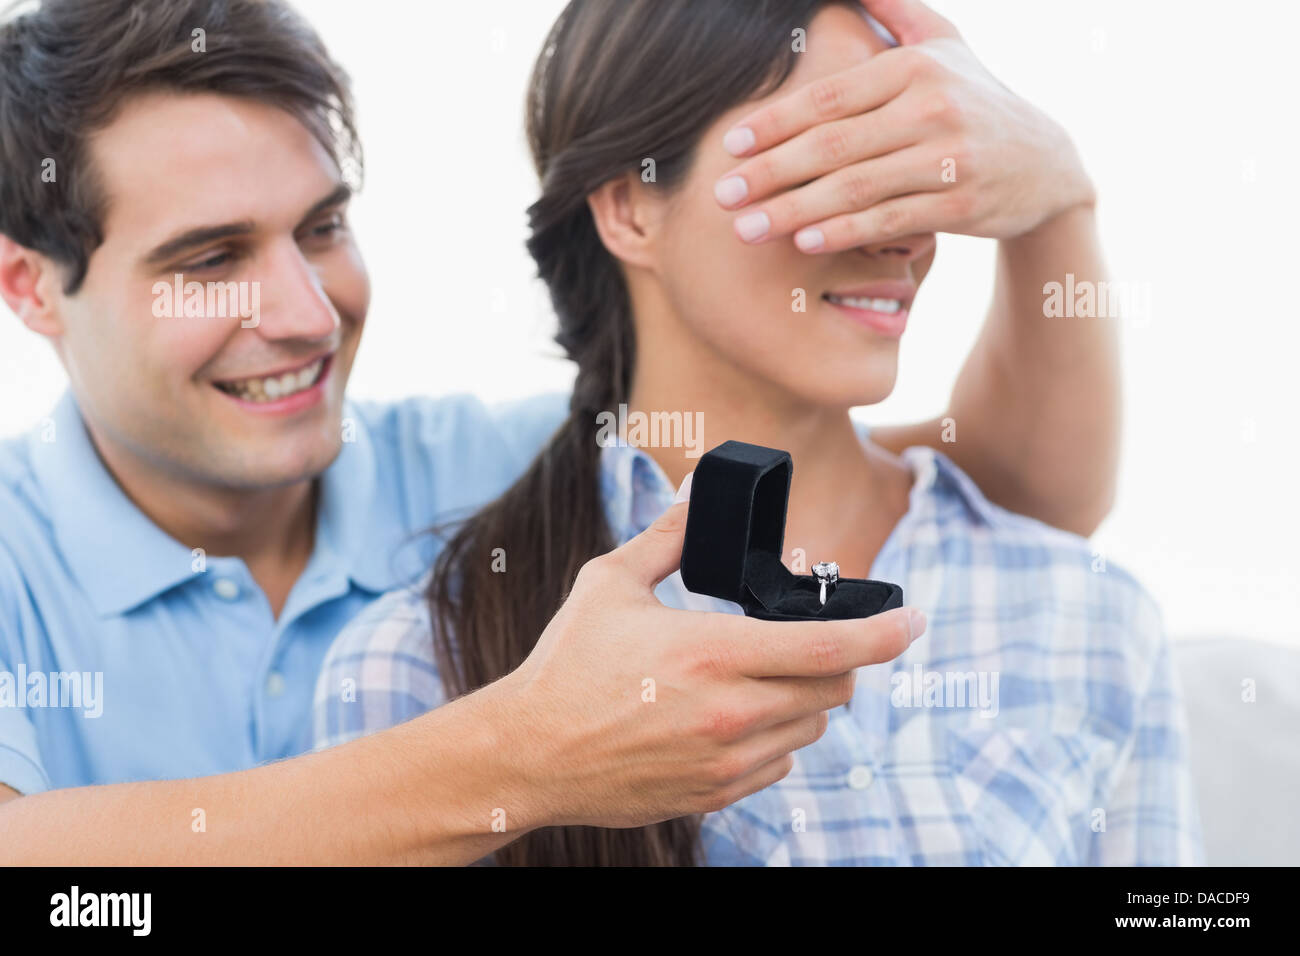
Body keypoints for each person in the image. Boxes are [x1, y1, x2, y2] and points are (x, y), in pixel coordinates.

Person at [1, 0, 1116, 863]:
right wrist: (526, 752)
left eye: (323, 226)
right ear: (31, 287)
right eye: (209, 258)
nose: (305, 314)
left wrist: (1056, 201)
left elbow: (989, 492)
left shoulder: (497, 480)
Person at [315, 0, 1201, 865]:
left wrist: (1058, 191)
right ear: (631, 207)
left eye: (910, 163)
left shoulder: (1090, 618)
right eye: (829, 163)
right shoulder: (427, 662)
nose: (898, 233)